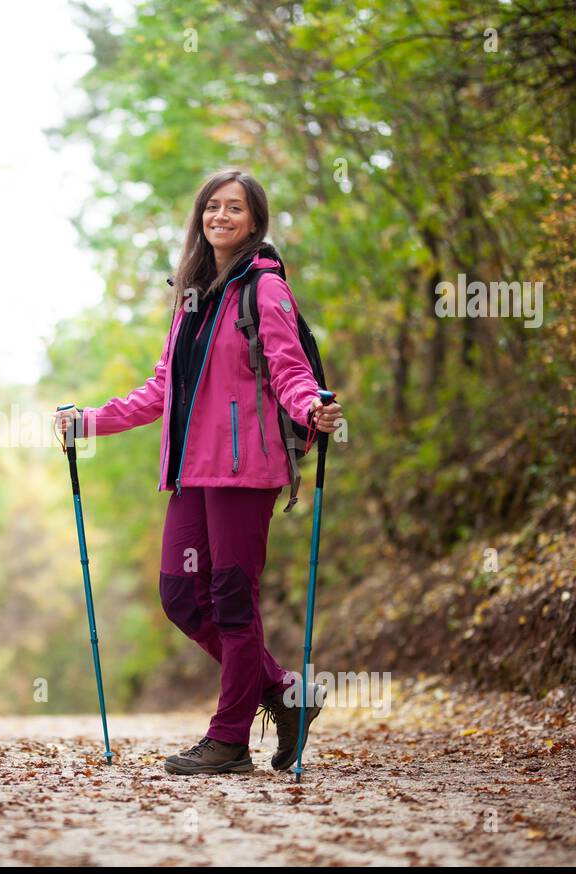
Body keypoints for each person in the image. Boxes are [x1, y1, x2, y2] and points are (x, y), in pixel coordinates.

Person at [54, 168, 343, 775]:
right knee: (182, 596)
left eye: (234, 208)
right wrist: (92, 421)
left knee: (233, 603)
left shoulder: (265, 288)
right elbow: (162, 387)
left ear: (254, 220)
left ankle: (229, 738)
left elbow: (290, 369)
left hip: (245, 467)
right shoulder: (192, 293)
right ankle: (286, 691)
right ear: (200, 217)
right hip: (190, 469)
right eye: (212, 207)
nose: (221, 217)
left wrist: (312, 406)